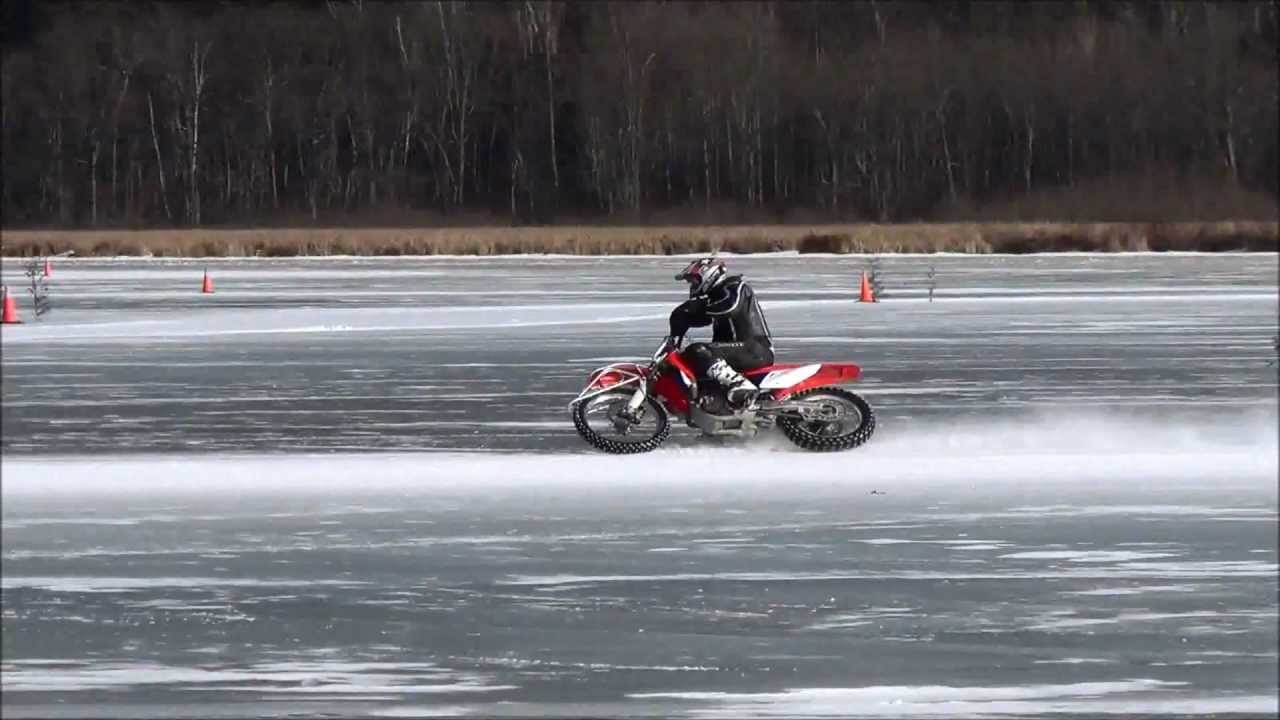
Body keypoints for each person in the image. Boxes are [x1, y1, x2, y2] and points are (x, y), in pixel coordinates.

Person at [667, 256, 775, 409]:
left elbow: (730, 307)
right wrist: (680, 319)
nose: (692, 286)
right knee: (691, 359)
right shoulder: (714, 298)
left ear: (709, 275)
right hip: (739, 350)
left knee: (698, 350)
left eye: (694, 281)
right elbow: (699, 318)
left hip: (755, 349)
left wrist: (700, 304)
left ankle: (740, 387)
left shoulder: (735, 286)